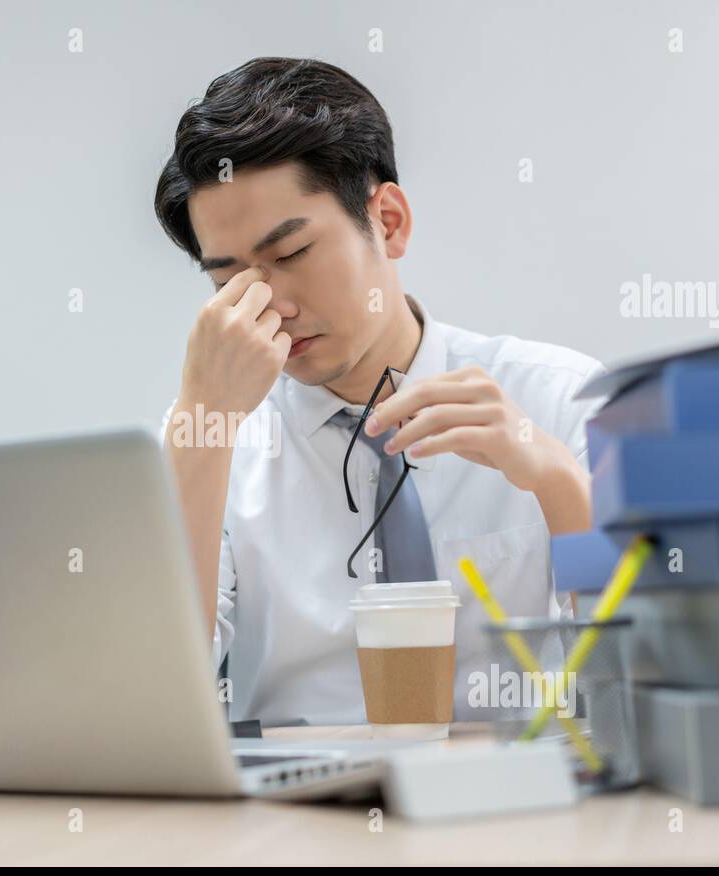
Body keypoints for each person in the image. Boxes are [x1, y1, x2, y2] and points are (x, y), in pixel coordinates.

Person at [154, 57, 605, 726]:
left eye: (292, 254)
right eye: (230, 281)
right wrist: (201, 428)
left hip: (519, 803)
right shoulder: (212, 440)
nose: (268, 304)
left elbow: (646, 669)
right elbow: (161, 697)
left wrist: (560, 484)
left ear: (388, 222)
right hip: (298, 816)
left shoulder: (558, 396)